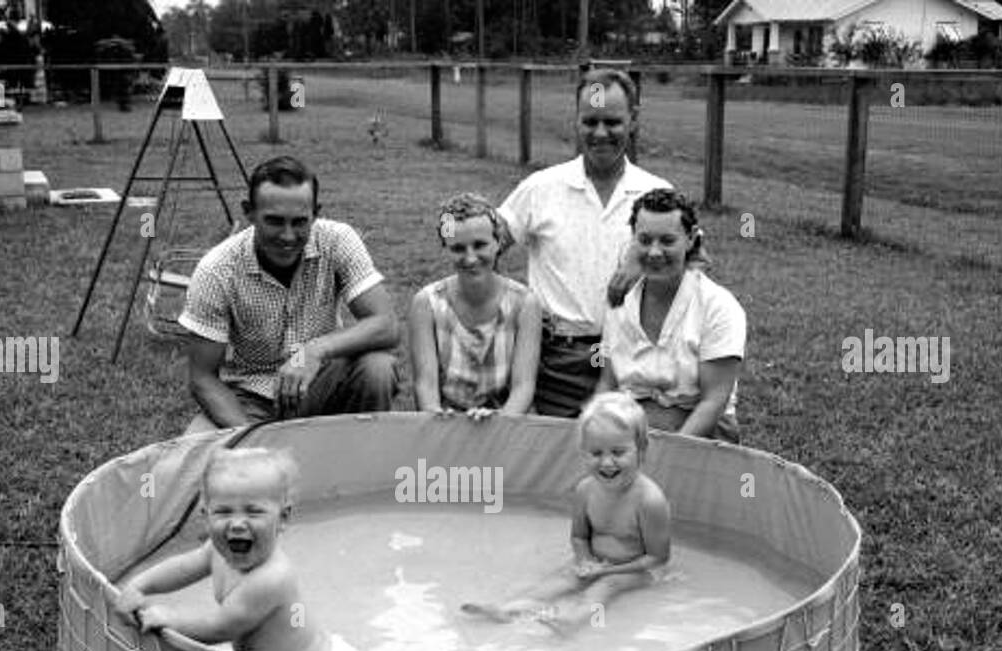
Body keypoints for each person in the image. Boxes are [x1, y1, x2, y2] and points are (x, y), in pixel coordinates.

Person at [496, 68, 672, 418]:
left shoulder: (658, 194)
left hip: (637, 358)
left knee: (634, 456)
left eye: (613, 121)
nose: (601, 133)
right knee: (559, 462)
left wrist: (643, 259)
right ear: (576, 121)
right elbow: (485, 244)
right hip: (559, 361)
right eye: (590, 122)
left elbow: (696, 265)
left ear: (633, 120)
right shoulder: (541, 188)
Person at [179, 156, 400, 432]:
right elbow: (202, 377)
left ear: (315, 212)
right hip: (249, 398)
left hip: (320, 381)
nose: (287, 236)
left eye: (299, 222)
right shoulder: (216, 270)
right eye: (274, 221)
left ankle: (356, 452)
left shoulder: (338, 240)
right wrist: (252, 437)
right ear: (249, 212)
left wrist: (313, 351)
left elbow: (386, 324)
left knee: (377, 369)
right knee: (193, 456)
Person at [114, 447, 364, 651]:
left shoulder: (271, 578)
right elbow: (181, 568)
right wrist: (138, 585)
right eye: (223, 511)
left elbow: (220, 627)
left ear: (283, 518)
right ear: (205, 515)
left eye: (254, 512)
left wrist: (168, 617)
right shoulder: (216, 550)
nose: (236, 524)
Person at [462, 392, 672, 632]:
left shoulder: (649, 500)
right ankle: (510, 609)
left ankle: (573, 620)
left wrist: (609, 570)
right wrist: (585, 560)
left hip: (641, 571)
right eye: (596, 453)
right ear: (583, 452)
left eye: (618, 452)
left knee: (607, 586)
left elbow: (658, 559)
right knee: (564, 578)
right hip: (598, 562)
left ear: (642, 450)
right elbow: (579, 537)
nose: (606, 463)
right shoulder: (585, 490)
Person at [598, 188, 745, 443]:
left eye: (667, 241)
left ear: (689, 239)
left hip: (699, 438)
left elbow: (713, 401)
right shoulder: (620, 302)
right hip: (630, 433)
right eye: (644, 240)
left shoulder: (718, 306)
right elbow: (607, 385)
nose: (654, 252)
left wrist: (668, 455)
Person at [409, 192, 542, 419]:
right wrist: (438, 419)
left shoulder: (524, 304)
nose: (470, 258)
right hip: (445, 425)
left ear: (498, 243)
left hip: (502, 424)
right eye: (458, 248)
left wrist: (499, 424)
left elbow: (523, 387)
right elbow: (426, 385)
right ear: (446, 248)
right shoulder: (426, 304)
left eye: (479, 245)